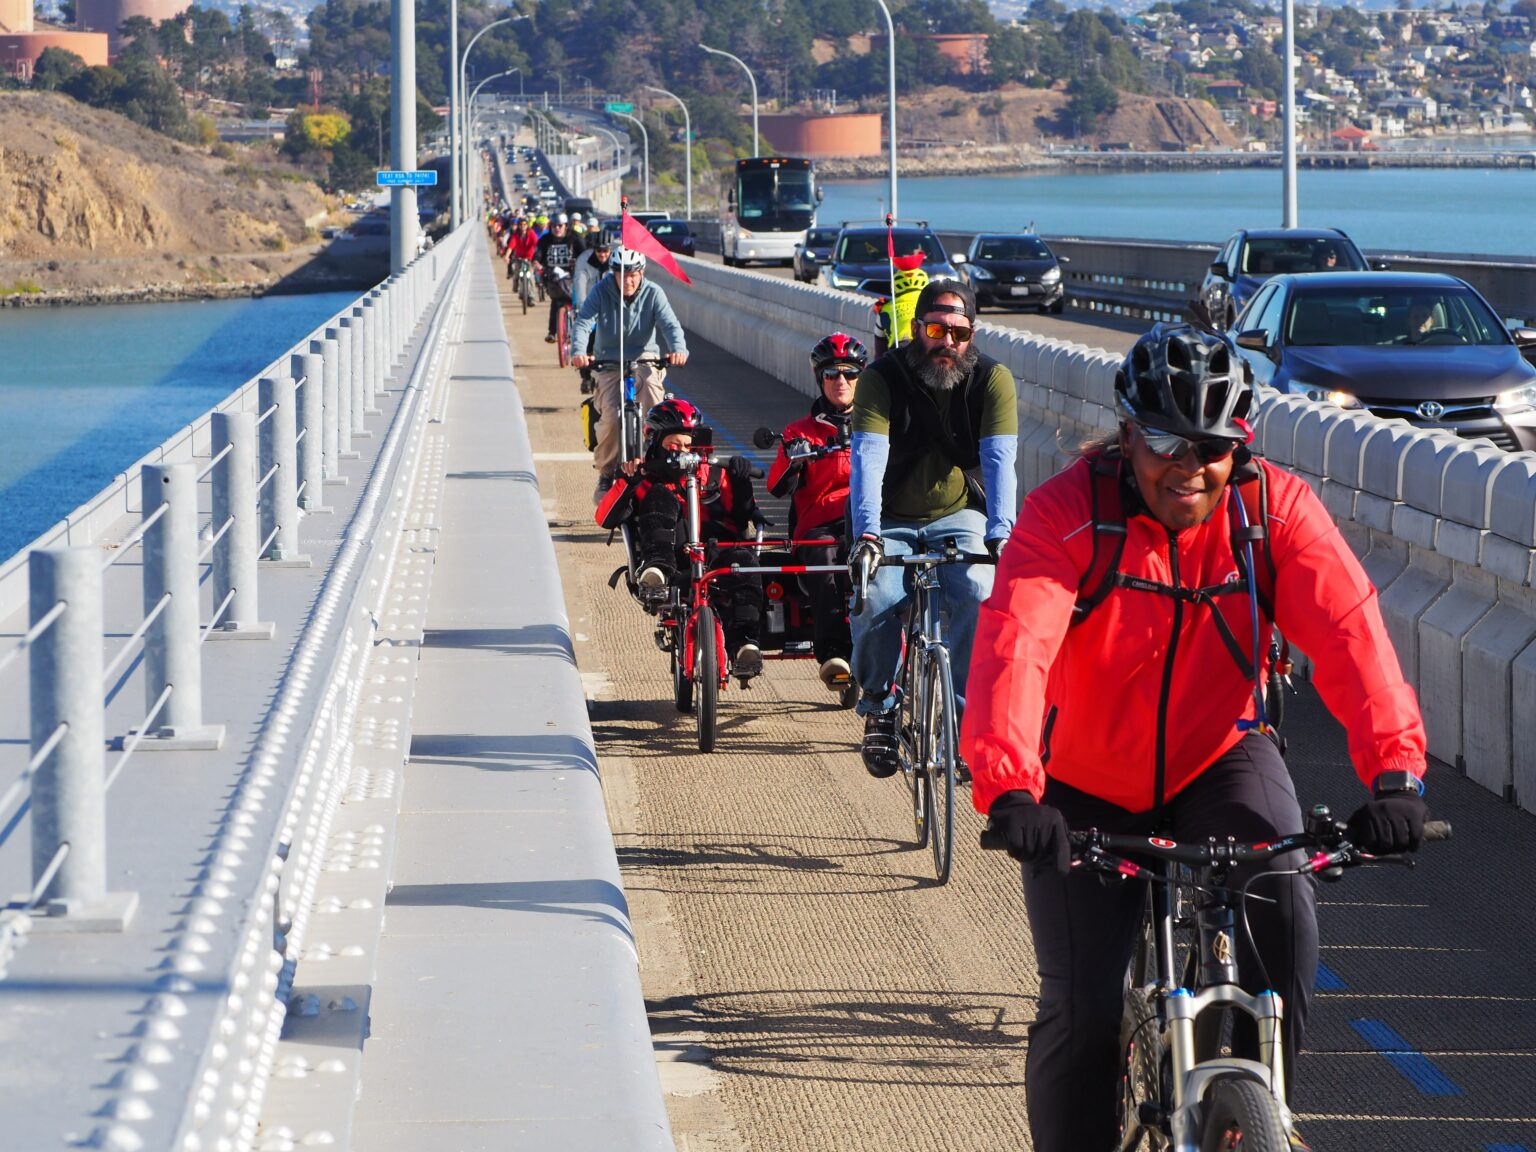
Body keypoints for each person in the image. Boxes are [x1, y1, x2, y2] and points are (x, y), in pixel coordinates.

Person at [961, 323, 1430, 1152]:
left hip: (1222, 754)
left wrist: (1395, 775)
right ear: (1130, 434)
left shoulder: (1271, 512)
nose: (1189, 465)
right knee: (1083, 1010)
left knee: (1285, 915)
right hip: (1083, 779)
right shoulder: (1069, 512)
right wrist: (1011, 788)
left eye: (1211, 446)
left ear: (1239, 445)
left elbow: (1351, 634)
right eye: (1167, 441)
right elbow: (1015, 644)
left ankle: (1254, 1112)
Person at [848, 280, 1018, 777]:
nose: (948, 342)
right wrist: (868, 535)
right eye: (936, 328)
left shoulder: (991, 379)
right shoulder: (881, 378)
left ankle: (963, 721)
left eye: (959, 332)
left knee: (977, 588)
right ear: (916, 328)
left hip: (959, 515)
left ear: (972, 335)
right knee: (875, 597)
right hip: (888, 518)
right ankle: (880, 707)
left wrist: (1001, 534)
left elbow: (1000, 460)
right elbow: (868, 459)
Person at [605, 398, 766, 679]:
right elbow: (604, 518)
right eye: (673, 446)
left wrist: (741, 483)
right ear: (656, 442)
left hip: (717, 555)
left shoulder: (716, 473)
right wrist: (627, 482)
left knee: (746, 561)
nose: (681, 453)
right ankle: (656, 570)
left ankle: (745, 646)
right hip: (672, 558)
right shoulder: (642, 475)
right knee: (660, 495)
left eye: (688, 445)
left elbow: (741, 518)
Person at [766, 333, 865, 691]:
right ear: (819, 378)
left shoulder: (878, 425)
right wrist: (795, 457)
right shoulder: (800, 430)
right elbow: (777, 487)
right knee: (826, 560)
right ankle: (835, 653)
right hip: (819, 525)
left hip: (866, 521)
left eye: (850, 374)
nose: (841, 381)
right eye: (831, 374)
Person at [570, 248, 689, 503]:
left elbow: (670, 324)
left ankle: (658, 461)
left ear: (641, 273)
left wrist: (678, 349)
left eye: (633, 275)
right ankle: (606, 471)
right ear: (612, 274)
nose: (628, 280)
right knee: (611, 416)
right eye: (622, 275)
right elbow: (582, 322)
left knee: (657, 406)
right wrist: (579, 351)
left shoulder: (654, 293)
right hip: (609, 361)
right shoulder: (601, 291)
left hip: (645, 356)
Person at [535, 213, 578, 343]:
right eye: (554, 226)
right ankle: (552, 332)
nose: (557, 229)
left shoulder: (574, 238)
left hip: (572, 277)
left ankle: (581, 331)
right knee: (556, 302)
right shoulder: (545, 239)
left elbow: (585, 252)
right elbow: (538, 254)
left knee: (579, 304)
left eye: (560, 226)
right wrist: (536, 262)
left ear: (566, 226)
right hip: (553, 278)